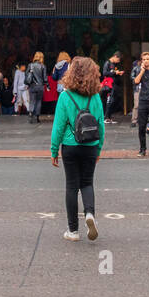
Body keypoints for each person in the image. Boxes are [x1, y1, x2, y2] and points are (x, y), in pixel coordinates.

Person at [51, 56, 107, 242]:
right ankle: (89, 214)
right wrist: (98, 149)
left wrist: (53, 150)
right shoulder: (96, 97)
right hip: (90, 145)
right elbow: (101, 125)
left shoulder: (65, 96)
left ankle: (73, 231)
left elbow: (58, 126)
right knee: (87, 183)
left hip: (70, 145)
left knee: (71, 186)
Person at [45, 51, 69, 119]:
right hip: (67, 85)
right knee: (68, 100)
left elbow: (54, 78)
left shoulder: (57, 66)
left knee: (61, 100)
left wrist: (54, 72)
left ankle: (61, 115)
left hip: (60, 85)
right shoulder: (69, 65)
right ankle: (67, 114)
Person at [26, 52, 48, 123]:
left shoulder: (30, 65)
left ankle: (30, 113)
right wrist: (47, 85)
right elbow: (45, 78)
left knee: (32, 100)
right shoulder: (43, 66)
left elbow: (26, 75)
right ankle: (37, 116)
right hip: (40, 86)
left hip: (32, 86)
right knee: (38, 101)